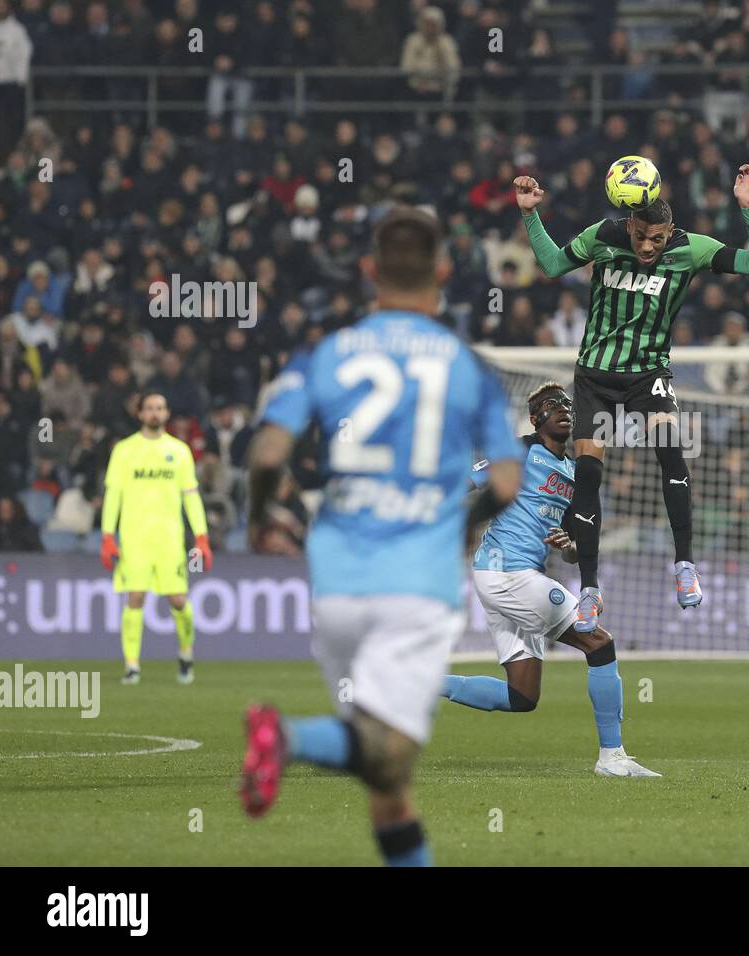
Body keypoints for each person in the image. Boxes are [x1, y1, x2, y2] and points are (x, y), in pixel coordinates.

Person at [239, 207, 523, 867]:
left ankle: (297, 741)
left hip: (336, 582)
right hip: (415, 584)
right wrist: (464, 524)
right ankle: (284, 736)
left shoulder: (328, 352)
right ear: (445, 274)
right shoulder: (466, 366)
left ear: (368, 271)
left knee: (388, 788)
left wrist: (259, 516)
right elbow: (507, 481)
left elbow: (264, 452)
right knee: (389, 752)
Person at [512, 158, 749, 632]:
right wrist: (531, 214)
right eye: (641, 237)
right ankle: (590, 589)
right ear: (630, 224)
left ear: (670, 230)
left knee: (672, 453)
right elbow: (553, 265)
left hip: (649, 374)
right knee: (588, 474)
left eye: (657, 239)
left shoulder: (691, 249)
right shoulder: (604, 236)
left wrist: (747, 207)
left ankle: (685, 566)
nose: (648, 247)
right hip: (594, 374)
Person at [443, 381, 659, 777]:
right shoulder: (519, 452)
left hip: (511, 576)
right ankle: (612, 757)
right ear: (535, 418)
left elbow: (573, 549)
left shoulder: (575, 474)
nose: (562, 408)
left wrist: (568, 545)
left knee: (522, 695)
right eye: (551, 404)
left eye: (566, 403)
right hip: (506, 571)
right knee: (599, 642)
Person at [99, 392, 211, 685]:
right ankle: (132, 665)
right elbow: (114, 495)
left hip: (169, 540)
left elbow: (191, 496)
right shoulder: (124, 450)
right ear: (140, 414)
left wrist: (201, 537)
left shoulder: (180, 451)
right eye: (149, 408)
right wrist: (108, 536)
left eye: (159, 408)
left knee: (177, 600)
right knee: (135, 597)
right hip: (134, 539)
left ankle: (186, 653)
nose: (154, 413)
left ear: (167, 413)